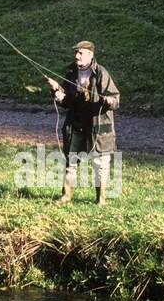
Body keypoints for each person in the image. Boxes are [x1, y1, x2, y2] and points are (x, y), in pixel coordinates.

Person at [45, 40, 119, 205]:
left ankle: (101, 199)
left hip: (97, 125)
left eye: (81, 53)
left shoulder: (101, 72)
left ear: (90, 55)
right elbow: (66, 102)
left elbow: (116, 98)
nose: (77, 56)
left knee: (100, 164)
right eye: (76, 53)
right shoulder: (71, 72)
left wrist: (109, 100)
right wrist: (56, 90)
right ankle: (66, 195)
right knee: (71, 161)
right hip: (76, 123)